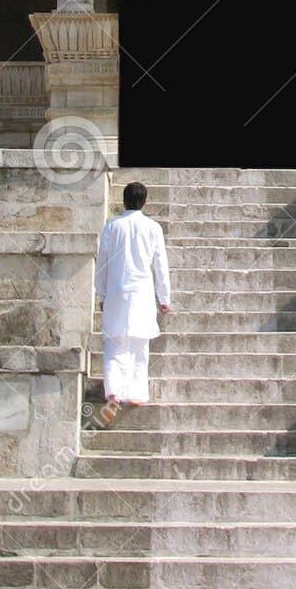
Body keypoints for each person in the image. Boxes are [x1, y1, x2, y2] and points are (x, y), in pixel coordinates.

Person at [94, 180, 172, 425]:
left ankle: (114, 391)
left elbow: (102, 263)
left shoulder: (112, 227)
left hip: (117, 292)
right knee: (139, 346)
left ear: (124, 200)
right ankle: (136, 394)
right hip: (142, 293)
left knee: (115, 343)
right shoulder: (153, 228)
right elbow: (160, 265)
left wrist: (102, 294)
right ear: (144, 201)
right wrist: (164, 297)